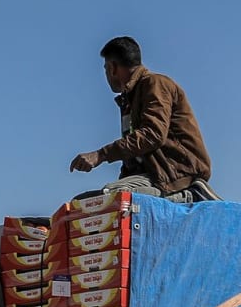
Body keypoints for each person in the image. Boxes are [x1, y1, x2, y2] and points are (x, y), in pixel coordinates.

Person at [69, 36, 214, 202]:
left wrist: (101, 155)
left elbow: (153, 134)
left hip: (176, 175)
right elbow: (135, 154)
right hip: (152, 175)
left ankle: (192, 194)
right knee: (83, 202)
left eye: (106, 69)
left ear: (112, 67)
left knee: (113, 195)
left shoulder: (155, 84)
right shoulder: (129, 99)